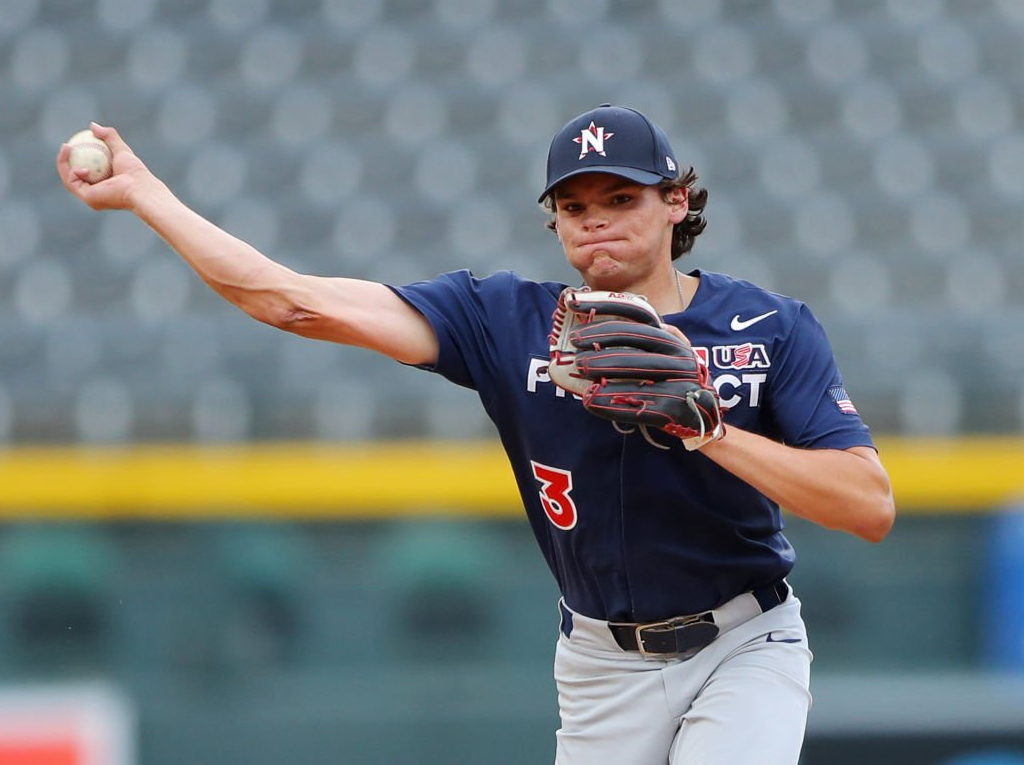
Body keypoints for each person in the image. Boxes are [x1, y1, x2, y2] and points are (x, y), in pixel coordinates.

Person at [59, 104, 895, 764]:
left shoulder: (767, 327)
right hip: (601, 663)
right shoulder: (504, 320)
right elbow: (290, 301)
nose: (595, 220)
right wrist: (146, 196)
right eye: (573, 206)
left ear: (675, 202)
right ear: (553, 222)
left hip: (743, 641)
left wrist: (708, 430)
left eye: (621, 198)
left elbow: (867, 506)